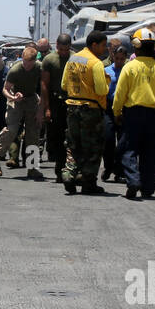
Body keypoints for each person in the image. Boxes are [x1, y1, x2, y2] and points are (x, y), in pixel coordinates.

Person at [113, 28, 155, 200]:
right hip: (154, 115)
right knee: (150, 152)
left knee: (128, 149)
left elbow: (120, 93)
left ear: (136, 46)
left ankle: (133, 181)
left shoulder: (130, 67)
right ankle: (148, 188)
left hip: (133, 114)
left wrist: (117, 112)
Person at [60, 30, 109, 195]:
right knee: (93, 147)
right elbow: (102, 90)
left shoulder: (72, 59)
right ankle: (88, 183)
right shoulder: (96, 63)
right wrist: (107, 81)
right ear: (94, 45)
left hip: (72, 108)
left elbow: (64, 85)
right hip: (91, 110)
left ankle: (68, 174)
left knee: (74, 145)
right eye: (103, 45)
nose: (105, 48)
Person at [0, 45, 45, 180]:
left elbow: (44, 85)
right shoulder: (15, 70)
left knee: (33, 133)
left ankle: (32, 168)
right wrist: (13, 97)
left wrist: (41, 108)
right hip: (15, 99)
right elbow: (5, 89)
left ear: (35, 61)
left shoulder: (39, 67)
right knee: (12, 130)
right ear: (22, 59)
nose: (27, 66)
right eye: (25, 63)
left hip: (31, 99)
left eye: (30, 64)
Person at [38, 33, 72, 183]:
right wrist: (46, 108)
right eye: (61, 49)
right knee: (56, 137)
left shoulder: (76, 58)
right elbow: (44, 84)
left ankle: (69, 169)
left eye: (66, 49)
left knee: (71, 137)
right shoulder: (49, 60)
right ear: (56, 46)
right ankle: (60, 170)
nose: (64, 52)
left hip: (71, 101)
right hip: (55, 101)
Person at [102, 40, 129, 181]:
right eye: (117, 58)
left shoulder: (128, 71)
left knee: (123, 142)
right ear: (112, 56)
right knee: (108, 140)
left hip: (124, 109)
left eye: (122, 59)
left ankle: (119, 171)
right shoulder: (106, 71)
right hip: (109, 108)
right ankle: (108, 166)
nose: (119, 61)